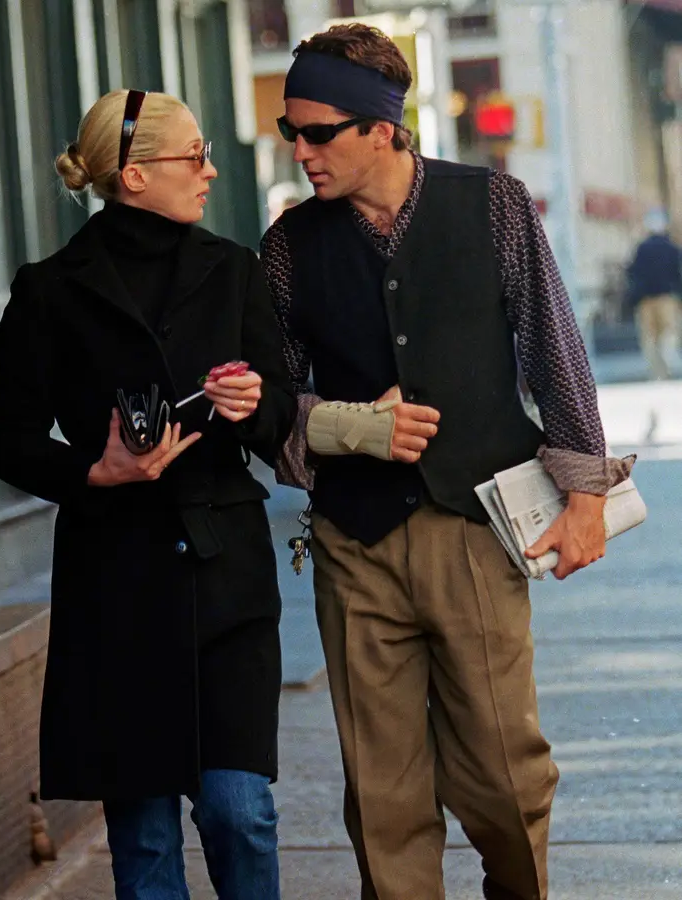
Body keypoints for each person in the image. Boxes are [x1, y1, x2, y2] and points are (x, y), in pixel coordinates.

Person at [260, 24, 634, 900]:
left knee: (504, 776)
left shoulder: (493, 205)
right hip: (354, 542)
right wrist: (345, 426)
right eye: (290, 133)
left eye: (318, 133)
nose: (300, 152)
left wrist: (584, 494)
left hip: (475, 529)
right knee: (383, 796)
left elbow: (553, 350)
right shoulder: (287, 247)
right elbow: (271, 402)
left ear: (380, 127)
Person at [0, 89, 296, 900]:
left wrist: (250, 402)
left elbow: (278, 417)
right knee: (145, 835)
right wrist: (97, 471)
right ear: (133, 175)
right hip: (114, 581)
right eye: (194, 155)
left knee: (239, 811)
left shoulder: (233, 270)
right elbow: (12, 441)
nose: (209, 170)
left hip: (225, 575)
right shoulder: (48, 290)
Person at [626, 208, 682, 380]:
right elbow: (678, 273)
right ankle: (668, 361)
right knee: (669, 332)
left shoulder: (642, 248)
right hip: (667, 297)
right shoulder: (673, 248)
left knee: (649, 337)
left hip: (645, 299)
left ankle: (656, 372)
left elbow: (632, 272)